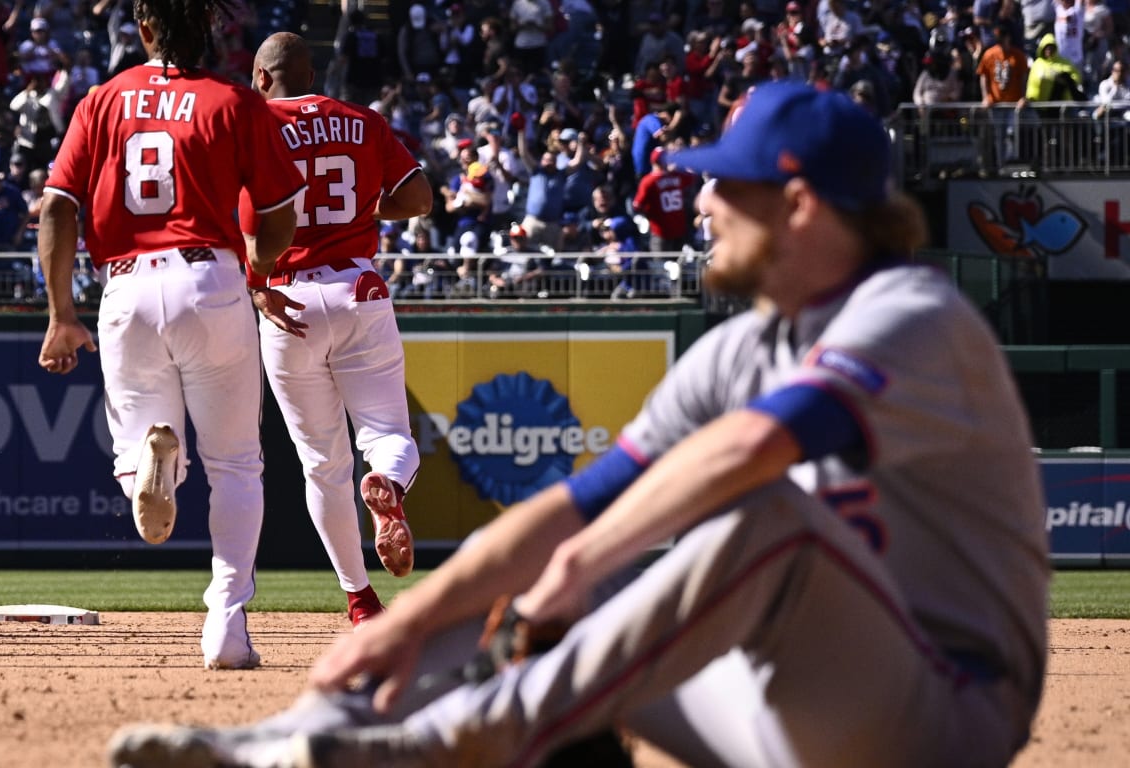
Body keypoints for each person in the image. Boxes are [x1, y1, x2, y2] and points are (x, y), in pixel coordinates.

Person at [108, 82, 1049, 768]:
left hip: (943, 712)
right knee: (479, 592)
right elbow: (576, 501)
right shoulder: (740, 350)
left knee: (765, 524)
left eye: (729, 186)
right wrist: (414, 621)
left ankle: (457, 739)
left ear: (798, 205)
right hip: (775, 709)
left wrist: (578, 565)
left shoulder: (914, 313)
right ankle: (287, 744)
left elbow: (754, 449)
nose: (705, 203)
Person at [36, 0, 302, 671]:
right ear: (209, 30)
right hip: (208, 278)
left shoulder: (102, 100)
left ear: (144, 30)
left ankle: (150, 472)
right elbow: (279, 214)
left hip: (125, 284)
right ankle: (225, 626)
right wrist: (259, 271)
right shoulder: (234, 102)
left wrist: (60, 315)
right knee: (238, 464)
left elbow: (59, 207)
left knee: (137, 447)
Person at [240, 33, 432, 627]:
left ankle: (360, 599)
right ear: (311, 71)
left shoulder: (254, 126)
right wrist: (361, 211)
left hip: (287, 297)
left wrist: (255, 283)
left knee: (322, 463)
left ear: (265, 77)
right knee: (387, 434)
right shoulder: (363, 121)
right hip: (357, 288)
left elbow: (247, 220)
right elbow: (420, 198)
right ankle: (389, 484)